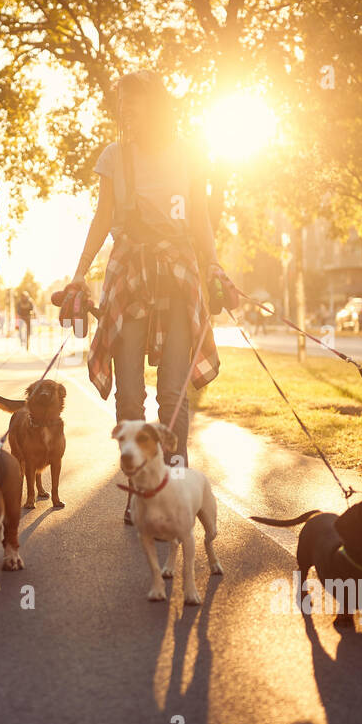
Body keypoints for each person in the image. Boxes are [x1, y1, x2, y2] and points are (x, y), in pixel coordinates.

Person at [62, 70, 238, 524]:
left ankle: (174, 486)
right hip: (129, 271)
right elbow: (101, 219)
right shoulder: (115, 156)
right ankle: (140, 490)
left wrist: (215, 264)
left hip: (178, 272)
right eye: (121, 104)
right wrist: (80, 275)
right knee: (131, 395)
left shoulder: (188, 153)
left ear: (154, 105)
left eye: (132, 103)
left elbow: (199, 217)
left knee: (174, 392)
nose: (124, 111)